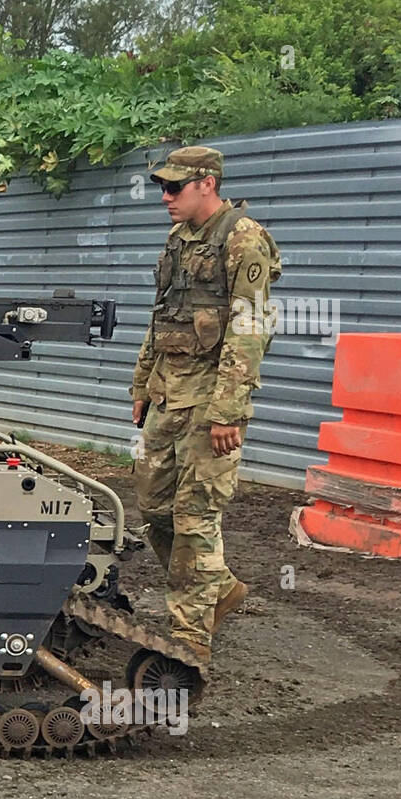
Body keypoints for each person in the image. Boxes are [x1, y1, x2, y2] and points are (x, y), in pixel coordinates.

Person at [130, 146, 282, 663]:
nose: (166, 198)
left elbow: (251, 327)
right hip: (168, 396)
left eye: (175, 188)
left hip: (210, 402)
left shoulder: (243, 239)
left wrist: (228, 412)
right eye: (163, 189)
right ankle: (219, 589)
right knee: (153, 509)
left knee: (195, 516)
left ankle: (190, 634)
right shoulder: (178, 240)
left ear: (207, 184)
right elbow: (161, 318)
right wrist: (141, 385)